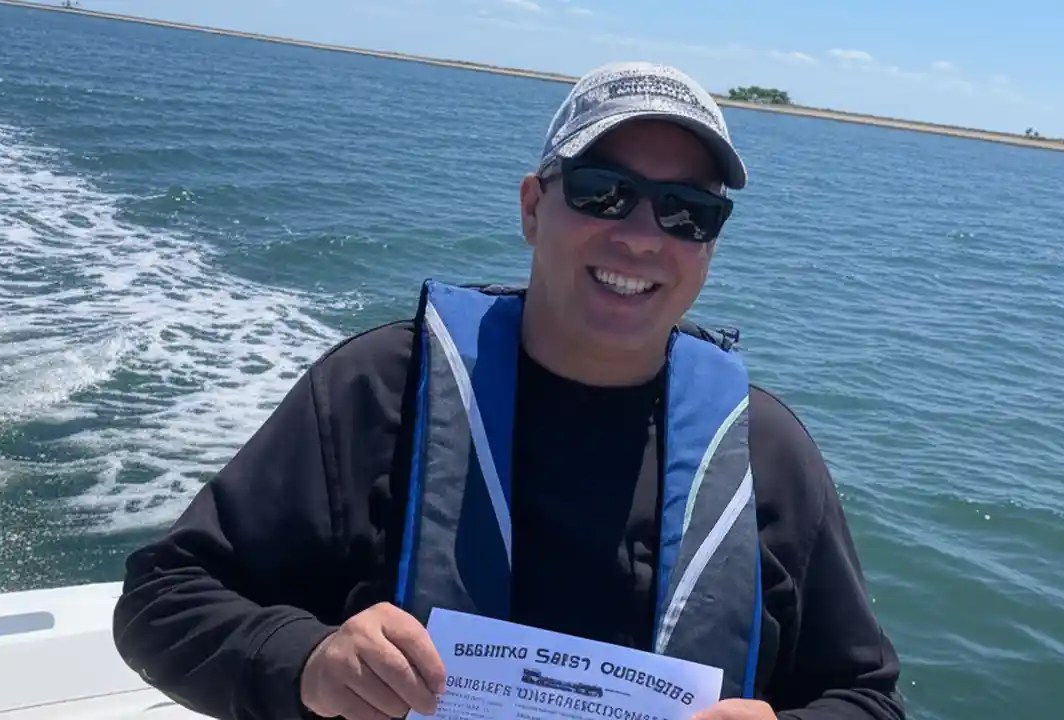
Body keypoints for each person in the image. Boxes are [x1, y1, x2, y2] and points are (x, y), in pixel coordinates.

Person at [112, 61, 905, 720]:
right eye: (603, 191)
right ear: (533, 206)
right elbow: (161, 601)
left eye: (686, 213)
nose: (640, 236)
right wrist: (310, 661)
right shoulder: (374, 393)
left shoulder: (766, 452)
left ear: (709, 244)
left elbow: (866, 698)